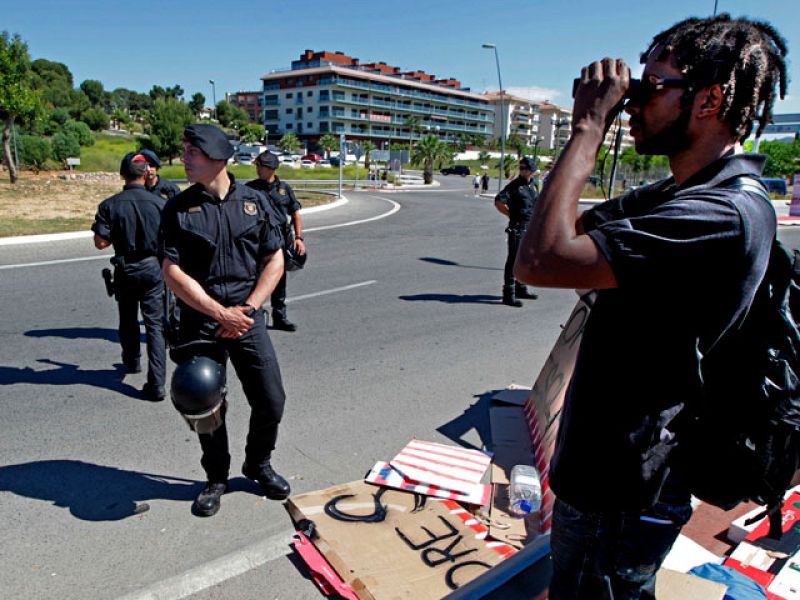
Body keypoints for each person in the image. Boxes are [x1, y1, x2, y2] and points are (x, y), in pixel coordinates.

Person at [514, 14, 786, 599]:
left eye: (652, 88)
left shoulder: (720, 215)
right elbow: (565, 227)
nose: (632, 104)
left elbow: (540, 259)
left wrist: (588, 125)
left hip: (625, 488)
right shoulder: (683, 194)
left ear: (710, 100)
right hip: (611, 472)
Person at [160, 124, 291, 517]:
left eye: (192, 153)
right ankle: (216, 477)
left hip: (247, 318)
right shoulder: (178, 209)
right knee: (204, 400)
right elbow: (172, 270)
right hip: (202, 321)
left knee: (271, 399)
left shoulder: (255, 202)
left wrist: (248, 309)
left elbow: (275, 258)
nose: (184, 159)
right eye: (184, 152)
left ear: (217, 157)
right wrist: (219, 313)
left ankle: (258, 464)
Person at [92, 152, 167, 401]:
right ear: (146, 173)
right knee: (155, 325)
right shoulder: (161, 204)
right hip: (153, 267)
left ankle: (132, 360)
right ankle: (157, 384)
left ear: (122, 175)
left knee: (127, 318)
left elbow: (100, 243)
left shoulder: (110, 205)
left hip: (125, 267)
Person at [246, 151, 305, 332]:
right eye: (257, 165)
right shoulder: (250, 189)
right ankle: (255, 317)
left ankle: (280, 317)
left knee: (279, 278)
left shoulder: (284, 189)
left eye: (261, 166)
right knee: (255, 279)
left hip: (281, 239)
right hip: (258, 240)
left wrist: (298, 238)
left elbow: (295, 213)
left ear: (271, 168)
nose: (258, 169)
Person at [494, 156, 539, 306]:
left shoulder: (534, 185)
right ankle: (509, 294)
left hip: (530, 228)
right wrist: (510, 214)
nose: (522, 170)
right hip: (517, 228)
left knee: (524, 260)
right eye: (520, 168)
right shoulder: (515, 186)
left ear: (532, 171)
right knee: (513, 260)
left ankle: (521, 288)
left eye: (525, 168)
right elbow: (499, 201)